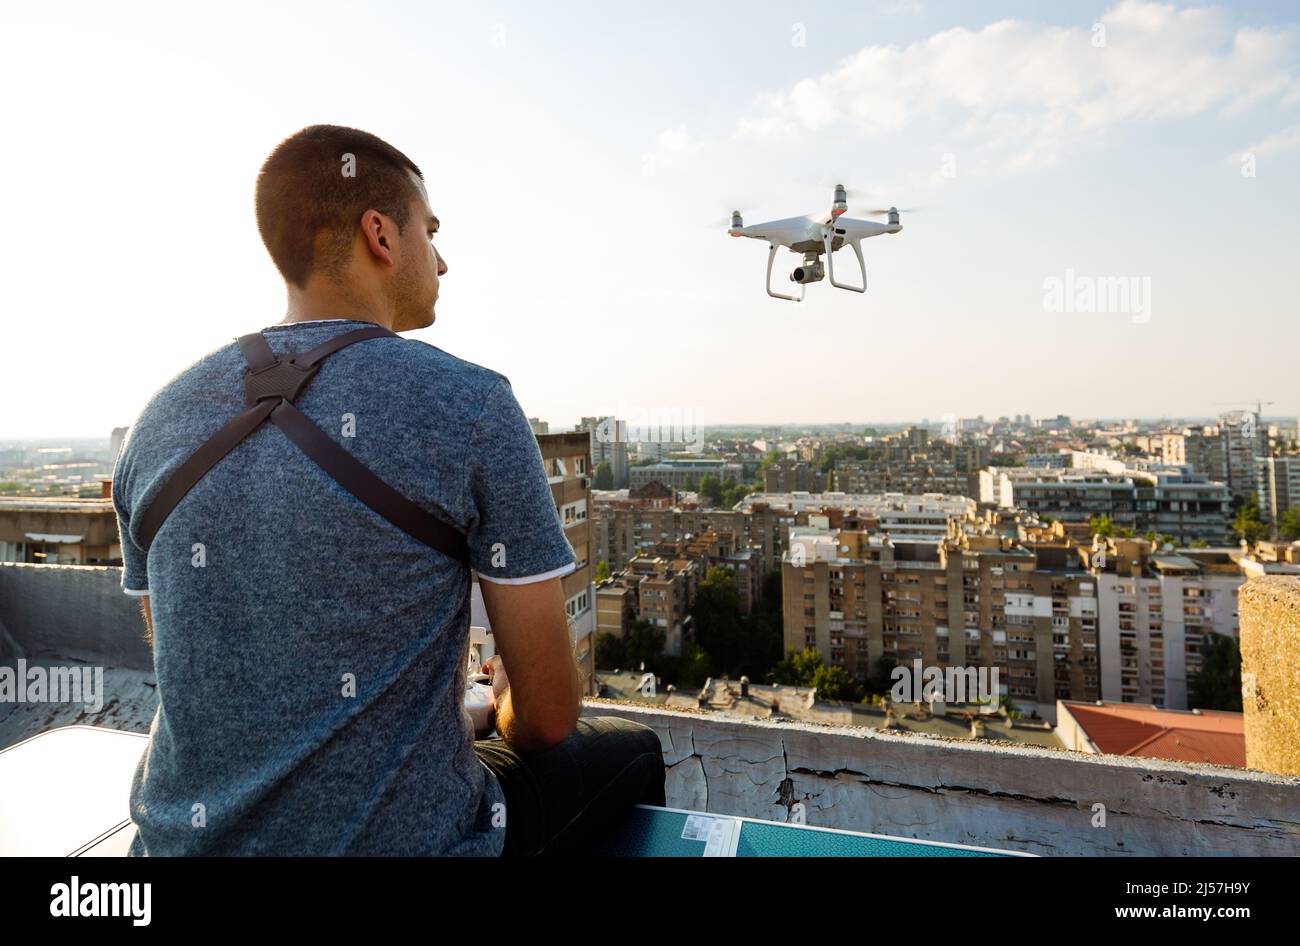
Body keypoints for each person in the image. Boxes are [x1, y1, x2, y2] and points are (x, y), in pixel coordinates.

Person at [112, 124, 664, 856]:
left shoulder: (160, 418)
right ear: (380, 234)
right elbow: (550, 715)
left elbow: (182, 649)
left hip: (176, 848)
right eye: (428, 232)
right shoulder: (470, 404)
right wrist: (493, 704)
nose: (442, 259)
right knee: (630, 748)